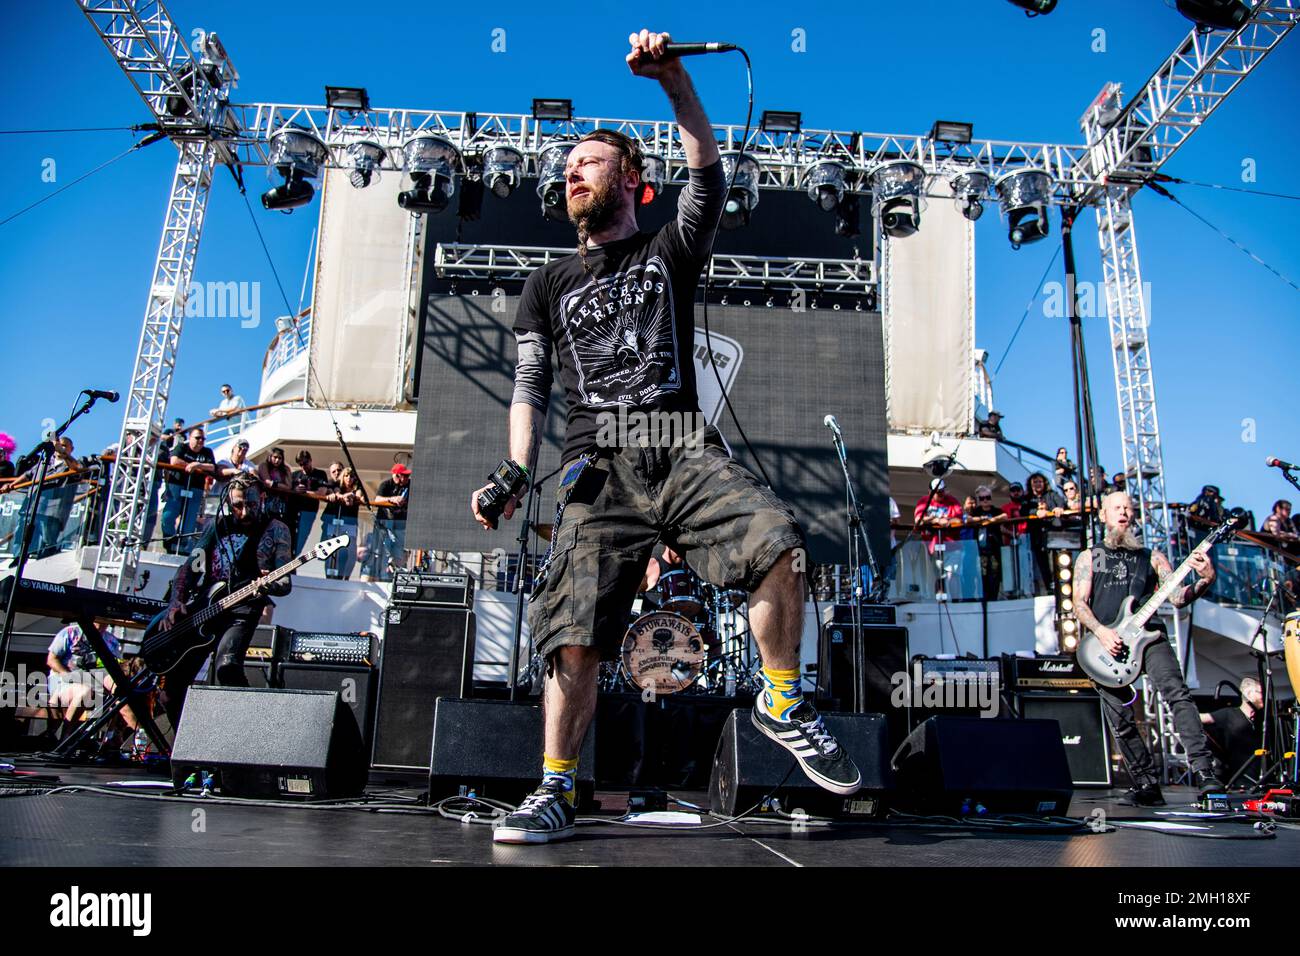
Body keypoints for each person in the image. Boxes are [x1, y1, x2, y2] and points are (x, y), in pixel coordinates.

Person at [471, 30, 860, 846]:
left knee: (778, 543)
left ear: (633, 180)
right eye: (568, 166)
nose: (572, 171)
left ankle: (783, 698)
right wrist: (513, 470)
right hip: (596, 469)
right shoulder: (546, 286)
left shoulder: (670, 246)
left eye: (589, 160)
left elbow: (707, 167)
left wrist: (674, 81)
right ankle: (555, 791)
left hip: (682, 447)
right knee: (572, 634)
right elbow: (530, 385)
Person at [1073, 491, 1224, 806]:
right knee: (1119, 717)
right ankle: (1146, 783)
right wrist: (1101, 632)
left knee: (1177, 695)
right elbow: (1078, 603)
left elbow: (1178, 598)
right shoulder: (1089, 557)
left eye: (1128, 507)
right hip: (1107, 645)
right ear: (1103, 515)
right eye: (1117, 508)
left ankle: (1205, 772)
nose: (1124, 512)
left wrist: (1206, 579)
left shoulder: (1152, 558)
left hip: (1150, 637)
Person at [155, 473, 292, 725]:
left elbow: (285, 584)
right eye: (238, 505)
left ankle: (251, 730)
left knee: (226, 668)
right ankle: (183, 752)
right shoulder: (217, 526)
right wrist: (176, 601)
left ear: (261, 498)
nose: (244, 511)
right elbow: (189, 567)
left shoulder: (276, 529)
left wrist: (268, 583)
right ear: (229, 503)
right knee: (170, 692)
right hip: (206, 609)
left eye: (250, 504)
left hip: (242, 610)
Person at [45, 622, 137, 740]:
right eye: (97, 621)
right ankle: (65, 738)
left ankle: (127, 735)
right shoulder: (70, 633)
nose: (100, 625)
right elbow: (51, 660)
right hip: (64, 681)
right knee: (85, 691)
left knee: (121, 688)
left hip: (94, 679)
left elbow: (115, 667)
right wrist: (69, 676)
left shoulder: (111, 640)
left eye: (104, 622)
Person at [1200, 677, 1264, 783]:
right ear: (1248, 694)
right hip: (1239, 781)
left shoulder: (1262, 718)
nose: (1264, 696)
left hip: (1263, 779)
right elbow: (1201, 718)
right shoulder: (1229, 714)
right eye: (1261, 692)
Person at [162, 427, 216, 554]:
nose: (201, 441)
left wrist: (197, 465)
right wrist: (189, 465)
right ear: (190, 438)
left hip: (195, 489)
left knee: (189, 521)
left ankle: (182, 546)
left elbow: (213, 467)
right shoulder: (181, 447)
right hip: (177, 486)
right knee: (168, 516)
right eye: (198, 438)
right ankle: (169, 540)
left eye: (203, 439)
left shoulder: (207, 452)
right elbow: (174, 461)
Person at [365, 464, 410, 581]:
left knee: (398, 551)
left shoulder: (410, 485)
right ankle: (376, 575)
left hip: (400, 524)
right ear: (396, 475)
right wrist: (392, 499)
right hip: (384, 523)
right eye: (404, 476)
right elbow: (377, 500)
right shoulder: (386, 484)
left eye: (407, 476)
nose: (406, 478)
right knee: (381, 549)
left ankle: (392, 577)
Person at [1022, 471, 1065, 593]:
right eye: (1034, 482)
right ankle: (1049, 589)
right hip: (1037, 537)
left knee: (1056, 564)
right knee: (1041, 566)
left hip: (1053, 534)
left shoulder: (1052, 494)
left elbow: (1061, 503)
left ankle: (1060, 588)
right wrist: (1036, 512)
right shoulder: (1027, 499)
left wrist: (1057, 508)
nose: (1037, 484)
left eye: (1040, 481)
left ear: (1044, 483)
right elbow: (1023, 511)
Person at [321, 462, 361, 580]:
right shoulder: (334, 484)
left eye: (339, 470)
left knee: (350, 552)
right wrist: (338, 496)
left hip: (350, 522)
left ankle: (345, 578)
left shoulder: (357, 488)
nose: (337, 473)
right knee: (331, 550)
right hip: (333, 520)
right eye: (334, 471)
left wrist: (353, 496)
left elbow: (360, 496)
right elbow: (333, 491)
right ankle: (330, 577)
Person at [968, 485, 1004, 601]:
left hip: (994, 549)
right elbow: (967, 519)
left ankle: (993, 598)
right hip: (980, 550)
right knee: (982, 576)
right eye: (982, 498)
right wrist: (981, 519)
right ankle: (984, 599)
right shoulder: (976, 511)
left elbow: (1005, 516)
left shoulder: (996, 510)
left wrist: (993, 520)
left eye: (987, 497)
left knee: (995, 575)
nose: (985, 500)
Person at [289, 450, 330, 552]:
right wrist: (295, 490)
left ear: (311, 461)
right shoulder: (294, 475)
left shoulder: (320, 474)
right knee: (290, 538)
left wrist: (305, 492)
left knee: (302, 538)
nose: (303, 466)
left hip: (309, 512)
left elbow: (322, 493)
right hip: (293, 512)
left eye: (305, 463)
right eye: (300, 464)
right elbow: (287, 490)